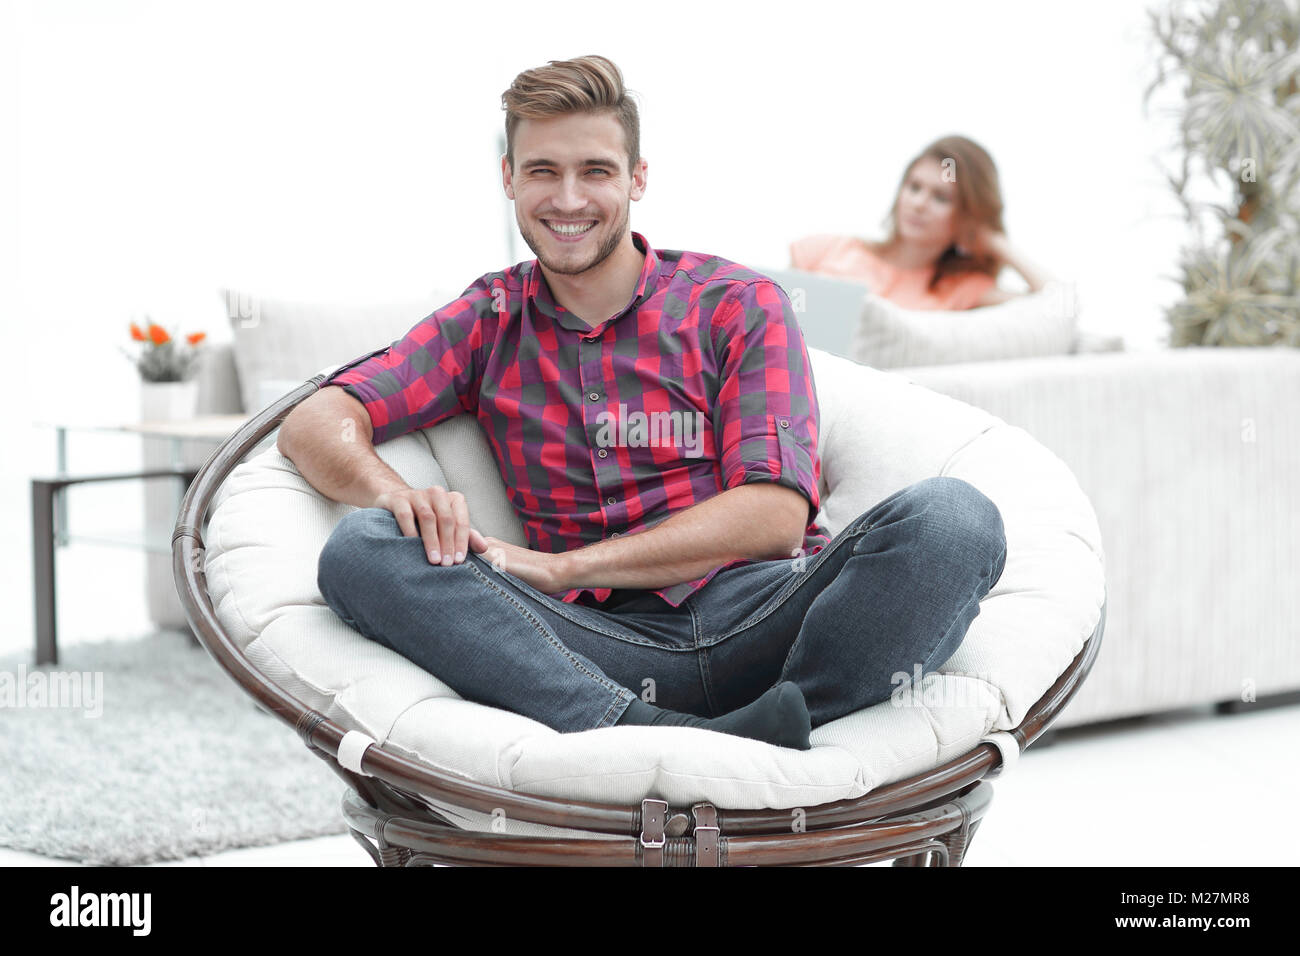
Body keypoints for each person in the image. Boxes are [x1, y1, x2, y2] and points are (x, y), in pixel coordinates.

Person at [279, 56, 1007, 752]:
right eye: (542, 171)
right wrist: (399, 497)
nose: (568, 199)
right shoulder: (488, 318)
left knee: (953, 520)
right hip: (591, 651)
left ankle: (790, 716)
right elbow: (316, 418)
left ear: (637, 178)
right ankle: (682, 736)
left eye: (594, 170)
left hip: (771, 621)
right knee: (363, 550)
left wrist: (566, 569)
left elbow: (774, 513)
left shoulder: (736, 304)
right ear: (508, 179)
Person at [790, 135, 1055, 310]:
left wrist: (994, 240)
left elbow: (1055, 306)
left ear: (968, 214)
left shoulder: (961, 289)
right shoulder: (825, 250)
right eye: (914, 187)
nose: (919, 204)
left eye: (941, 197)